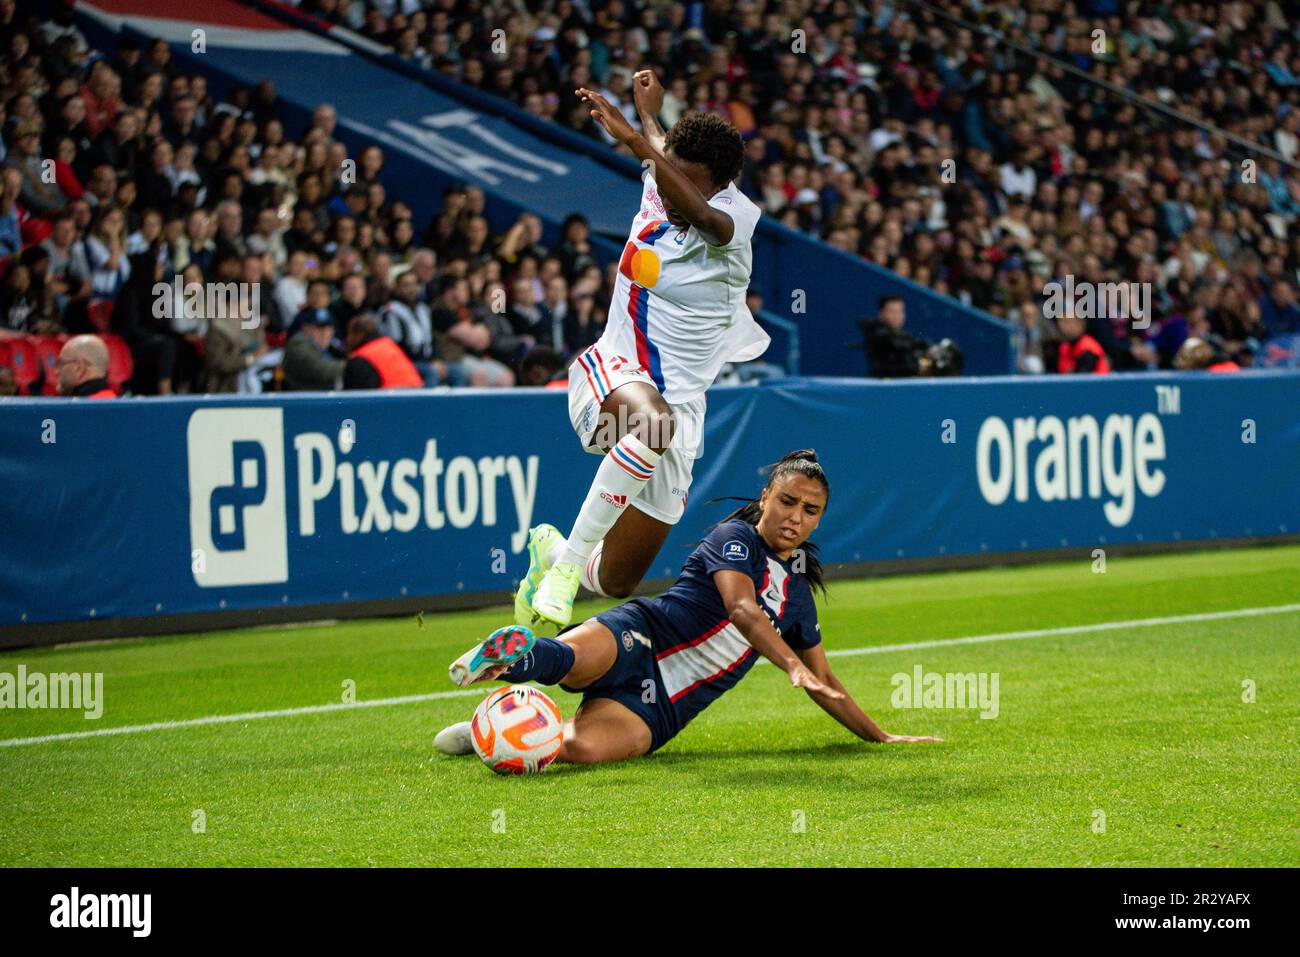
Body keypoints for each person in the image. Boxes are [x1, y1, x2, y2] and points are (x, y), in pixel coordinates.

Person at [435, 451, 941, 764]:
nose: (795, 517)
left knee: (574, 749)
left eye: (810, 511)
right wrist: (789, 664)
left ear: (818, 520)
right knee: (566, 663)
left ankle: (493, 733)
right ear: (766, 497)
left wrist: (882, 736)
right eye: (787, 501)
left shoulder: (798, 594)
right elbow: (742, 610)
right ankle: (510, 661)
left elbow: (825, 679)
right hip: (642, 636)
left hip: (662, 707)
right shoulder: (735, 538)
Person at [513, 69, 770, 640]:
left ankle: (554, 557)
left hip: (681, 409)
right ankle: (566, 574)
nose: (674, 188)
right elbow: (663, 161)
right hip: (612, 375)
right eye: (669, 168)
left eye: (690, 180)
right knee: (653, 423)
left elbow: (700, 212)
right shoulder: (664, 182)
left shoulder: (735, 220)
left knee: (619, 578)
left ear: (724, 184)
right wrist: (650, 117)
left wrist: (635, 136)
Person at [343, 314, 422, 389]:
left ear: (360, 334)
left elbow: (358, 396)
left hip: (391, 398)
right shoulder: (388, 344)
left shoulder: (361, 359)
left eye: (350, 333)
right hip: (417, 393)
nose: (347, 339)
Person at [281, 311, 343, 390]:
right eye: (319, 329)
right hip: (301, 398)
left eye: (329, 329)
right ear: (305, 328)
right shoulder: (298, 344)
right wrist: (351, 366)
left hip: (321, 396)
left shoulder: (331, 346)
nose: (325, 333)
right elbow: (318, 369)